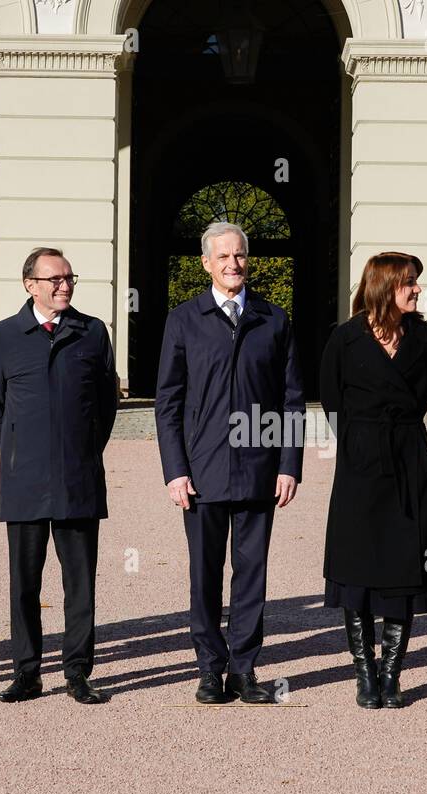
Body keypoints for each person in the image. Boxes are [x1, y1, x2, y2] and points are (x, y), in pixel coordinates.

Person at [155, 221, 304, 705]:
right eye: (223, 257)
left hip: (261, 469)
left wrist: (290, 464)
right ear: (206, 263)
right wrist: (175, 470)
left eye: (239, 255)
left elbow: (292, 401)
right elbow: (168, 402)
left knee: (251, 574)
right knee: (204, 574)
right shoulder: (184, 320)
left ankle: (244, 669)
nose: (233, 264)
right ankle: (208, 668)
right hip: (202, 472)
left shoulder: (274, 319)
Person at [0, 248, 118, 704]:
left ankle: (78, 671)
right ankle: (27, 672)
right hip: (23, 481)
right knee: (25, 582)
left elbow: (106, 403)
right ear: (30, 285)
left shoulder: (93, 332)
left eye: (69, 277)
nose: (64, 285)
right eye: (54, 279)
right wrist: (19, 453)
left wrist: (83, 451)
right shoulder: (3, 336)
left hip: (78, 478)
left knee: (79, 583)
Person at [320, 252, 427, 709]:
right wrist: (359, 442)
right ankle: (364, 674)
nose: (417, 290)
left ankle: (391, 674)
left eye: (417, 281)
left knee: (404, 565)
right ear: (384, 286)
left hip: (409, 457)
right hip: (359, 465)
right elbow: (332, 399)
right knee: (357, 568)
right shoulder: (345, 338)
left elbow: (421, 396)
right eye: (409, 282)